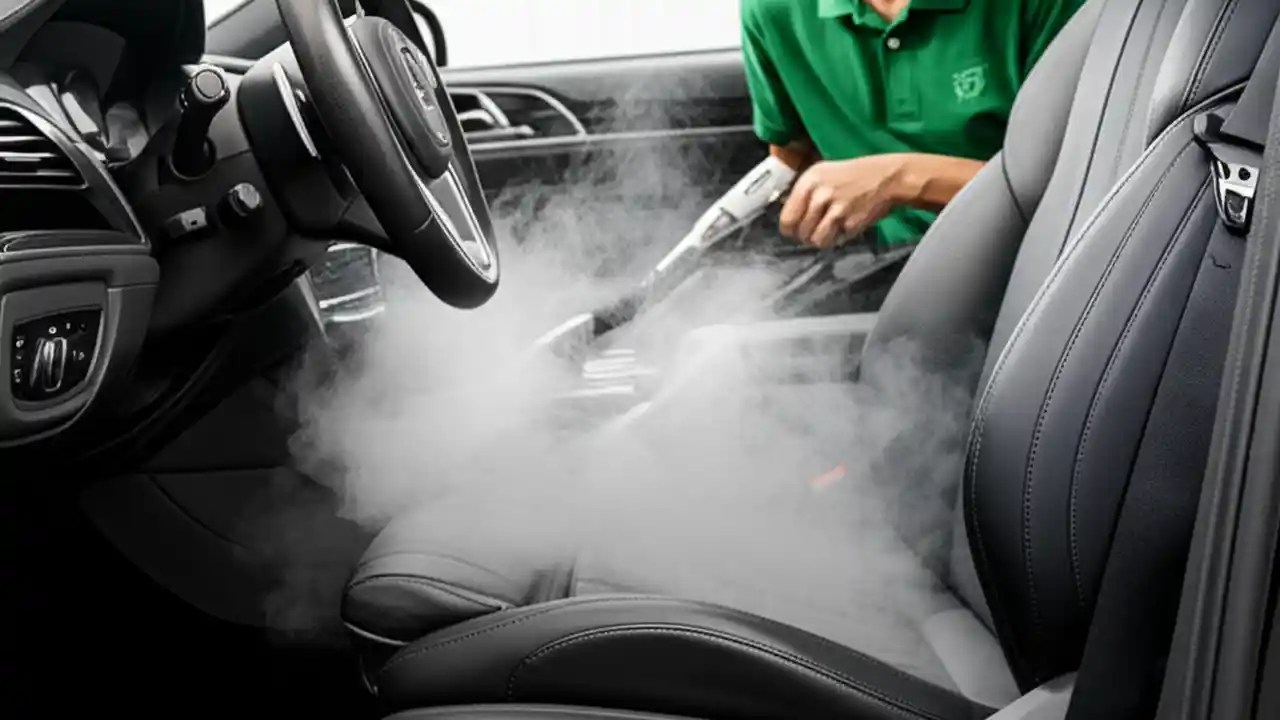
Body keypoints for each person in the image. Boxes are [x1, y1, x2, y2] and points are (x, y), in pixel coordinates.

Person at [742, 0, 1086, 249]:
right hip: (874, 270)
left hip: (1029, 263)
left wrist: (898, 180)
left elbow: (1078, 190)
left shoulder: (1048, 7)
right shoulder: (771, 10)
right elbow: (793, 154)